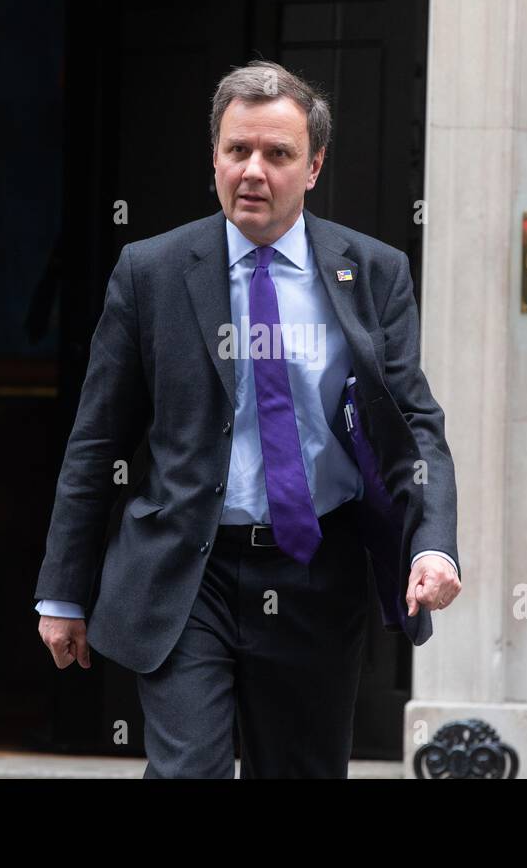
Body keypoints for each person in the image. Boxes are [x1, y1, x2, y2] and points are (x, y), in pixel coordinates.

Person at [34, 59, 460, 778]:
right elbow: (96, 440)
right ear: (215, 157)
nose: (253, 171)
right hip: (186, 569)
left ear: (314, 167)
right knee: (187, 772)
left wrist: (433, 545)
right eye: (237, 151)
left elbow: (413, 420)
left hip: (314, 571)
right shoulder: (153, 272)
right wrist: (63, 591)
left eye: (277, 154)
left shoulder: (372, 272)